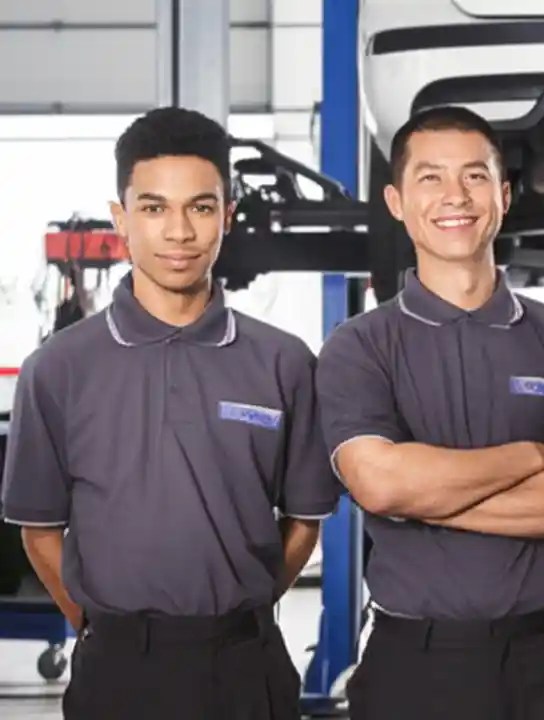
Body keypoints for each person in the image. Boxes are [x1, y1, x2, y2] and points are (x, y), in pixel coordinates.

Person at [0, 107, 339, 719]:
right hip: (118, 671)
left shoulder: (284, 363)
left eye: (201, 207)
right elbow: (39, 532)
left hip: (246, 667)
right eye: (154, 208)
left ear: (227, 216)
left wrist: (240, 614)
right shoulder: (57, 369)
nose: (178, 232)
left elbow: (304, 520)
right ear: (120, 219)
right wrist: (109, 629)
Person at [316, 106, 544, 720]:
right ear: (396, 201)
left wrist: (429, 498)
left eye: (475, 176)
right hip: (415, 665)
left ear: (502, 196)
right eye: (431, 178)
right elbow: (381, 482)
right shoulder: (359, 346)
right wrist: (535, 457)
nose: (455, 196)